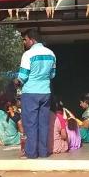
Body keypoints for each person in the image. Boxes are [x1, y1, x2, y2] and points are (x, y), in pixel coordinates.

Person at [15, 29, 56, 158]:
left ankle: (32, 153)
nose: (24, 42)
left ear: (32, 40)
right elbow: (52, 75)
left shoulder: (28, 54)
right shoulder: (51, 54)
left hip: (31, 92)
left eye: (25, 39)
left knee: (30, 123)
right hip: (45, 92)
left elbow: (22, 76)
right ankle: (43, 152)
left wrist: (16, 81)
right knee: (43, 123)